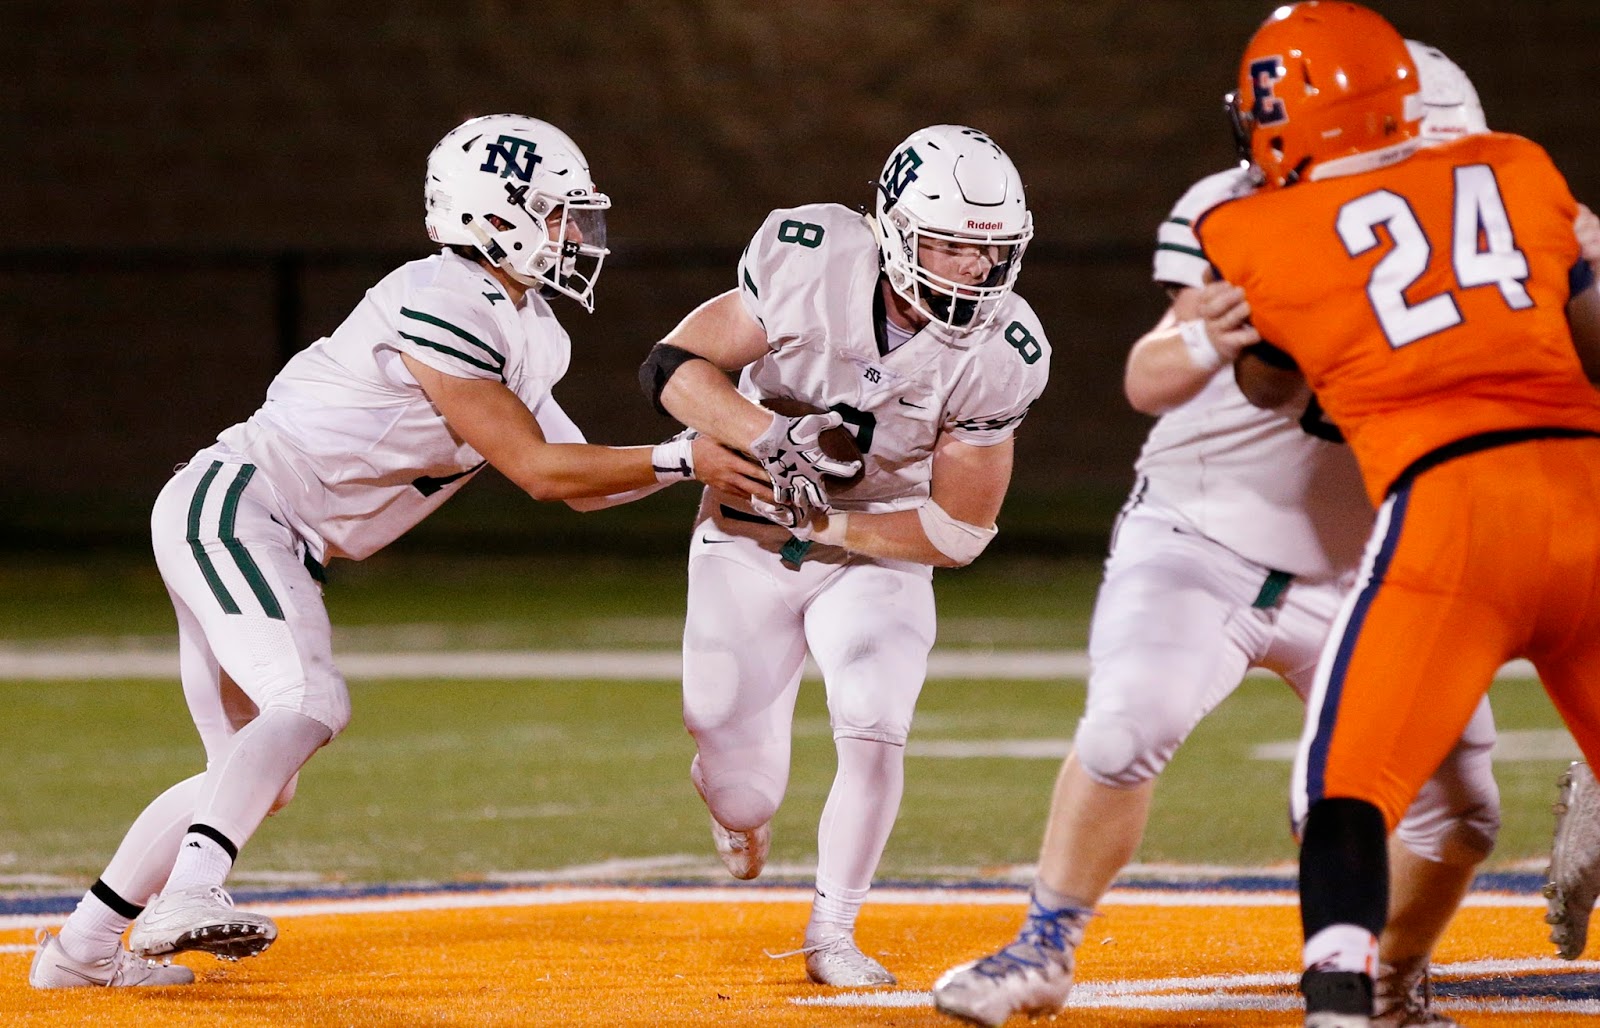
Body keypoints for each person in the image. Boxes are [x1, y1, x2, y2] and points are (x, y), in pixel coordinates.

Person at [28, 113, 767, 989]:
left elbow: (577, 478)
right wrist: (684, 454)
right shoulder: (440, 296)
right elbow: (533, 469)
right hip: (239, 505)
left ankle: (78, 953)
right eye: (559, 213)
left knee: (253, 770)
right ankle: (190, 893)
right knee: (309, 702)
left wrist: (712, 465)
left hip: (268, 532)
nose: (577, 234)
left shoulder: (532, 329)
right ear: (496, 217)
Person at [931, 40, 1502, 1028]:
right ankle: (1044, 942)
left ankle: (1390, 978)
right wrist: (1202, 334)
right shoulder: (1241, 207)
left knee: (1463, 811)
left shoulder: (1504, 236)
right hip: (1204, 531)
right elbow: (1161, 373)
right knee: (1126, 723)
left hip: (1376, 564)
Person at [1189, 4, 1600, 1026]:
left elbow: (1266, 385)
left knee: (1347, 784)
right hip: (1587, 491)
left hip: (1453, 512)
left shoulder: (1247, 226)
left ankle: (1340, 994)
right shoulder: (1517, 167)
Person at [638, 124, 1049, 987]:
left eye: (990, 253)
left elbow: (960, 532)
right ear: (895, 230)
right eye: (949, 246)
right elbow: (672, 365)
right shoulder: (810, 253)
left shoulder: (1004, 351)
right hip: (744, 535)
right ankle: (739, 810)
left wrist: (824, 526)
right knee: (739, 778)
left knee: (874, 721)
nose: (972, 272)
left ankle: (833, 931)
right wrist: (768, 436)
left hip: (878, 537)